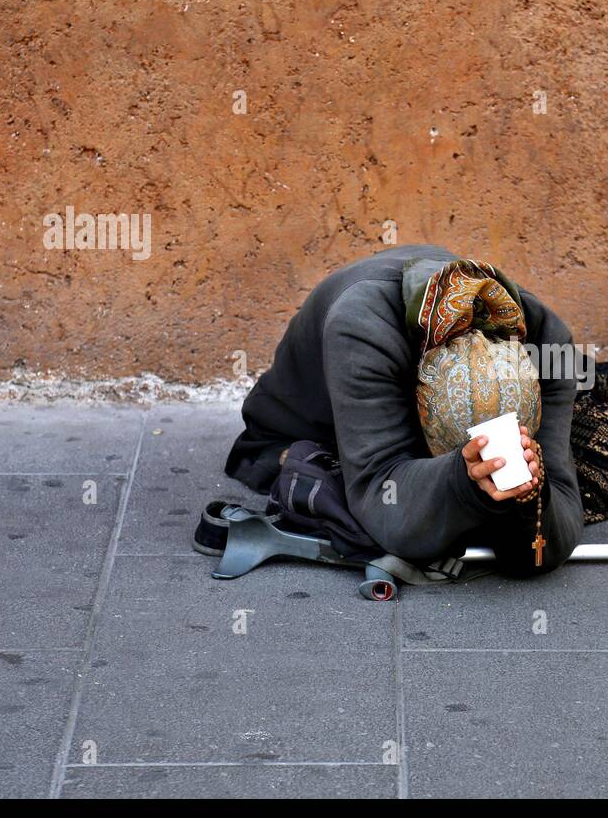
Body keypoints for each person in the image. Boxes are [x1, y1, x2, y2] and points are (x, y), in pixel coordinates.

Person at [224, 246, 584, 577]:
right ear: (422, 402)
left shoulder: (545, 342)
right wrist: (464, 478)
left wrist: (530, 493)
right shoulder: (363, 330)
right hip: (300, 419)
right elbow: (387, 508)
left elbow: (550, 538)